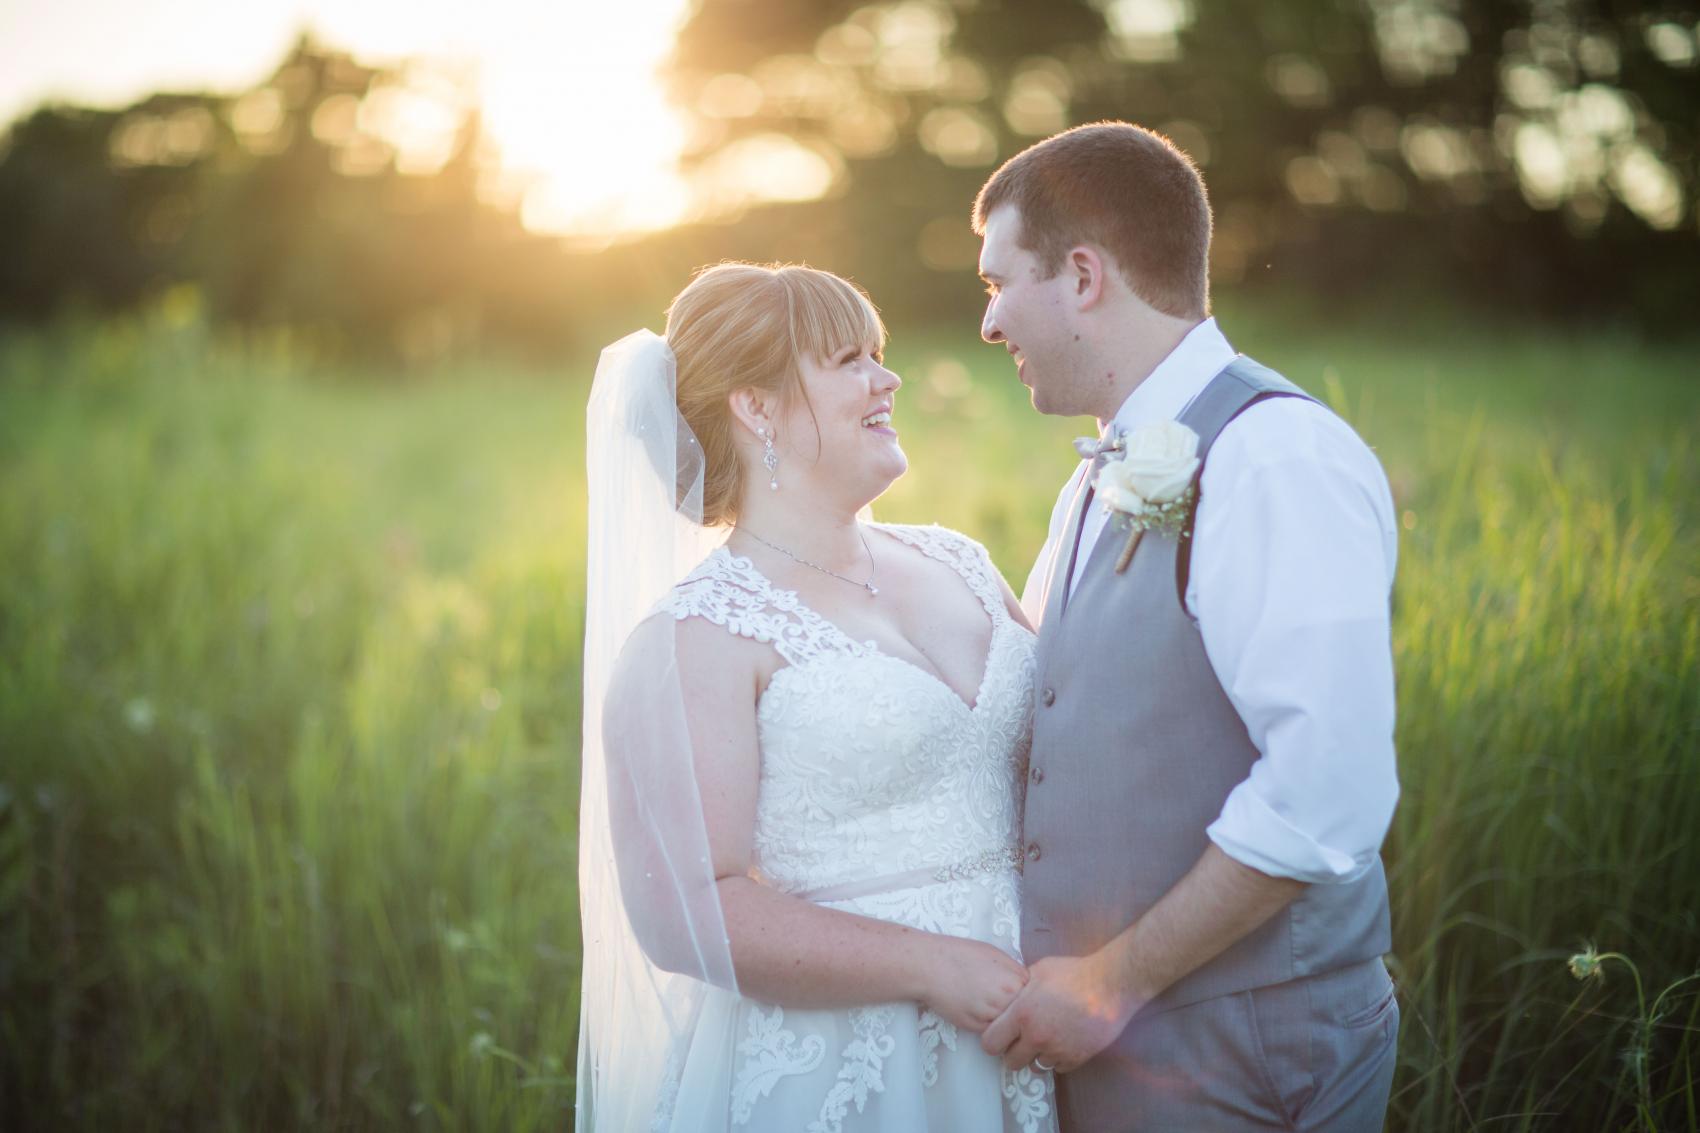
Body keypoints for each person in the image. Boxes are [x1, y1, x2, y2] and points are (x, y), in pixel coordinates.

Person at [972, 122, 1402, 1130]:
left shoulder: (1274, 457)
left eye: (996, 283)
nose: (987, 324)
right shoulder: (1098, 475)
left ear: (1082, 275)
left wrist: (1110, 980)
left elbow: (1322, 794)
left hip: (1238, 1037)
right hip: (1131, 1039)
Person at [577, 262, 1057, 1132]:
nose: (889, 379)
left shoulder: (961, 562)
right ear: (756, 407)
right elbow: (687, 910)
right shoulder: (695, 636)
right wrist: (930, 965)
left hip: (1037, 1027)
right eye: (849, 359)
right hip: (851, 1064)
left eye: (879, 353)